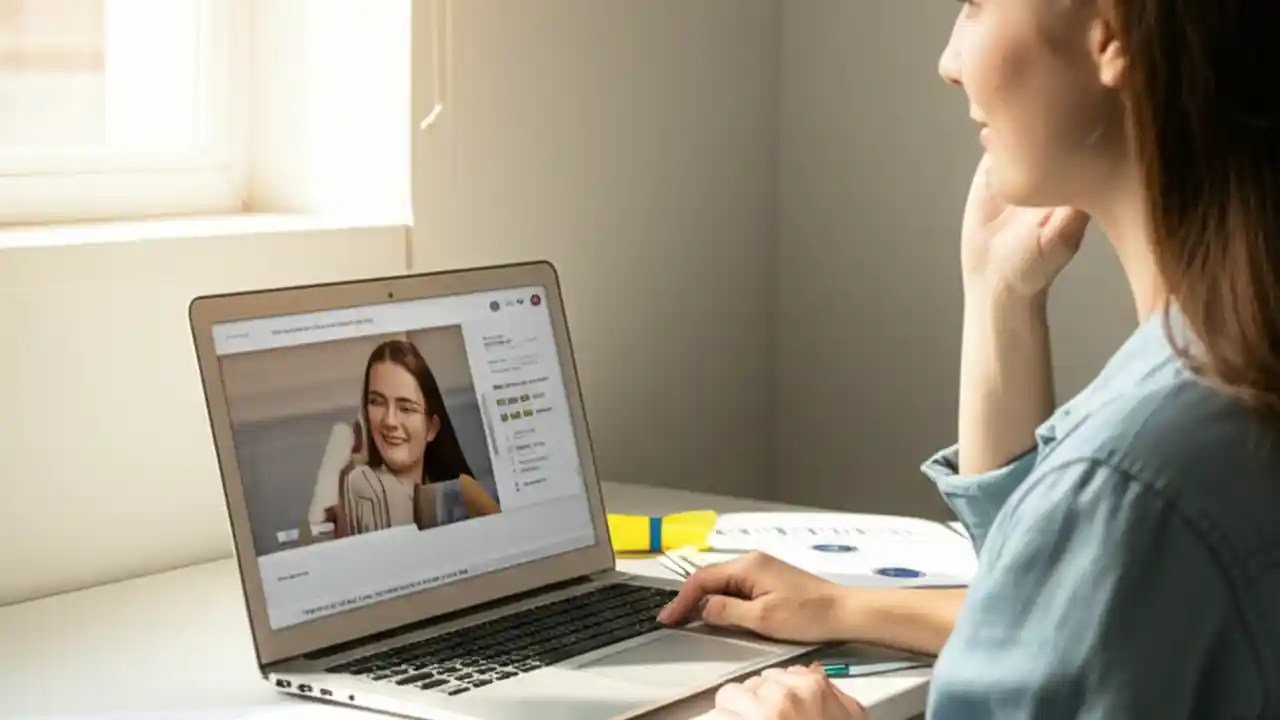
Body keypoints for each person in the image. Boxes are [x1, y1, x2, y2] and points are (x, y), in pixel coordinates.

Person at [659, 1, 1280, 718]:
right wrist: (999, 298)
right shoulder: (1217, 394)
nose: (949, 63)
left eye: (979, 4)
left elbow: (1089, 552)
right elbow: (1067, 606)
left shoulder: (1138, 479)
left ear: (1113, 30)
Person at [308, 339, 500, 537]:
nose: (389, 421)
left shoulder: (462, 494)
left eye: (406, 408)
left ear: (431, 428)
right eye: (376, 402)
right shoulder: (353, 490)